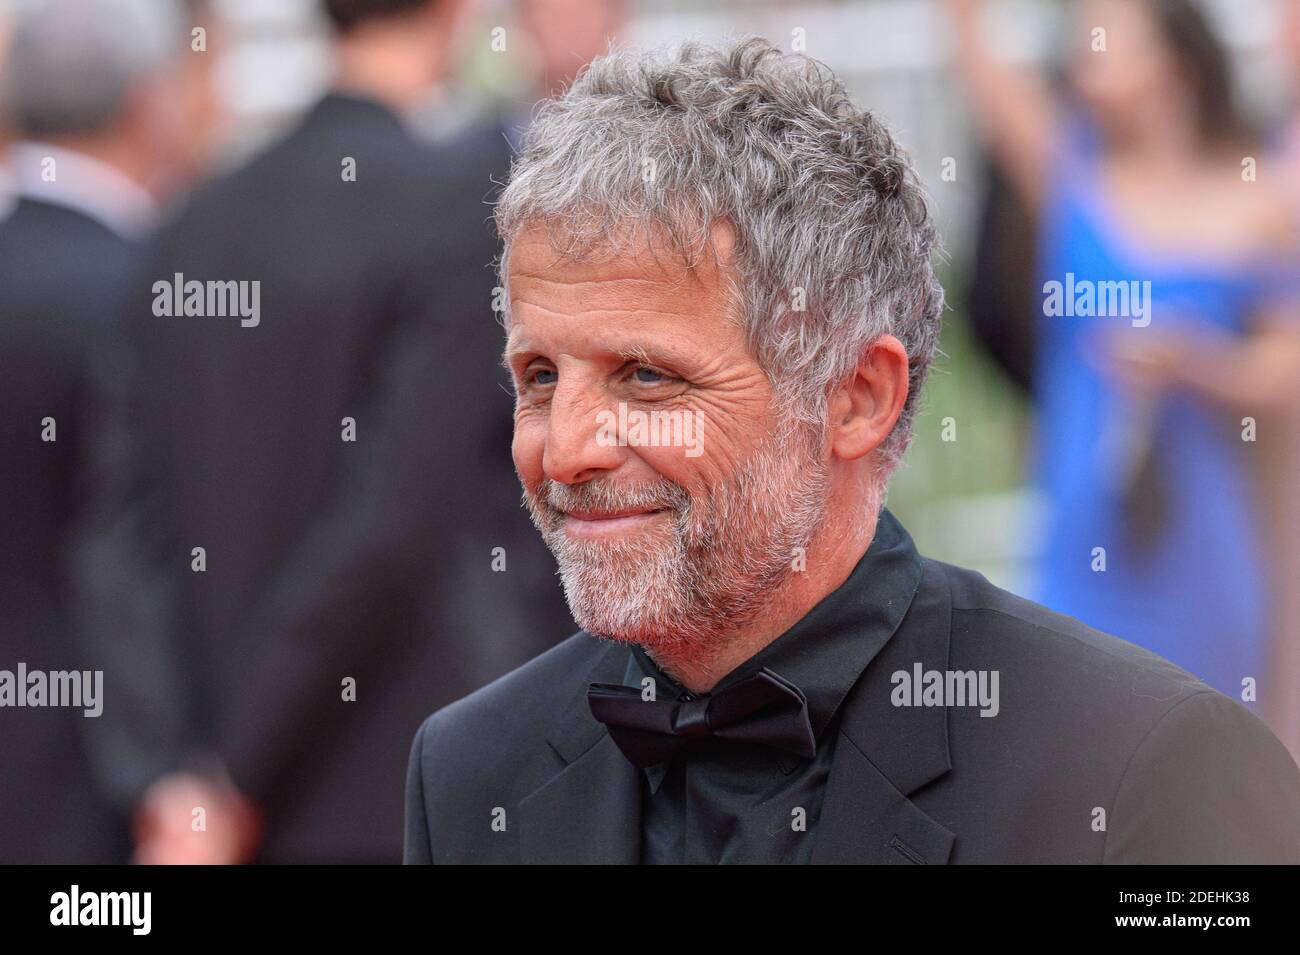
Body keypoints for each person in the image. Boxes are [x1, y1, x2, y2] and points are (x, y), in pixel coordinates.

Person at [402, 36, 1300, 865]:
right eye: (540, 376)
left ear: (858, 395)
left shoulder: (1141, 769)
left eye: (645, 376)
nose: (565, 452)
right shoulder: (471, 773)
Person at [111, 0, 573, 864]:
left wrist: (172, 782)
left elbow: (121, 529)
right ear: (453, 13)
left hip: (203, 823)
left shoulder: (189, 223)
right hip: (399, 786)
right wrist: (231, 775)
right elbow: (397, 518)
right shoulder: (463, 213)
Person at [948, 0, 1300, 707]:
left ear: (1173, 60)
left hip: (1202, 541)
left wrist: (1194, 365)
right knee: (1070, 740)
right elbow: (975, 51)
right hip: (1083, 534)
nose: (1086, 54)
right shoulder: (1071, 177)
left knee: (1204, 764)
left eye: (1109, 42)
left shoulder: (1256, 198)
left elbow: (1285, 372)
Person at [0, 0, 191, 863]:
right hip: (102, 781)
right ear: (147, 103)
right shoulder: (147, 291)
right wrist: (171, 773)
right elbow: (139, 550)